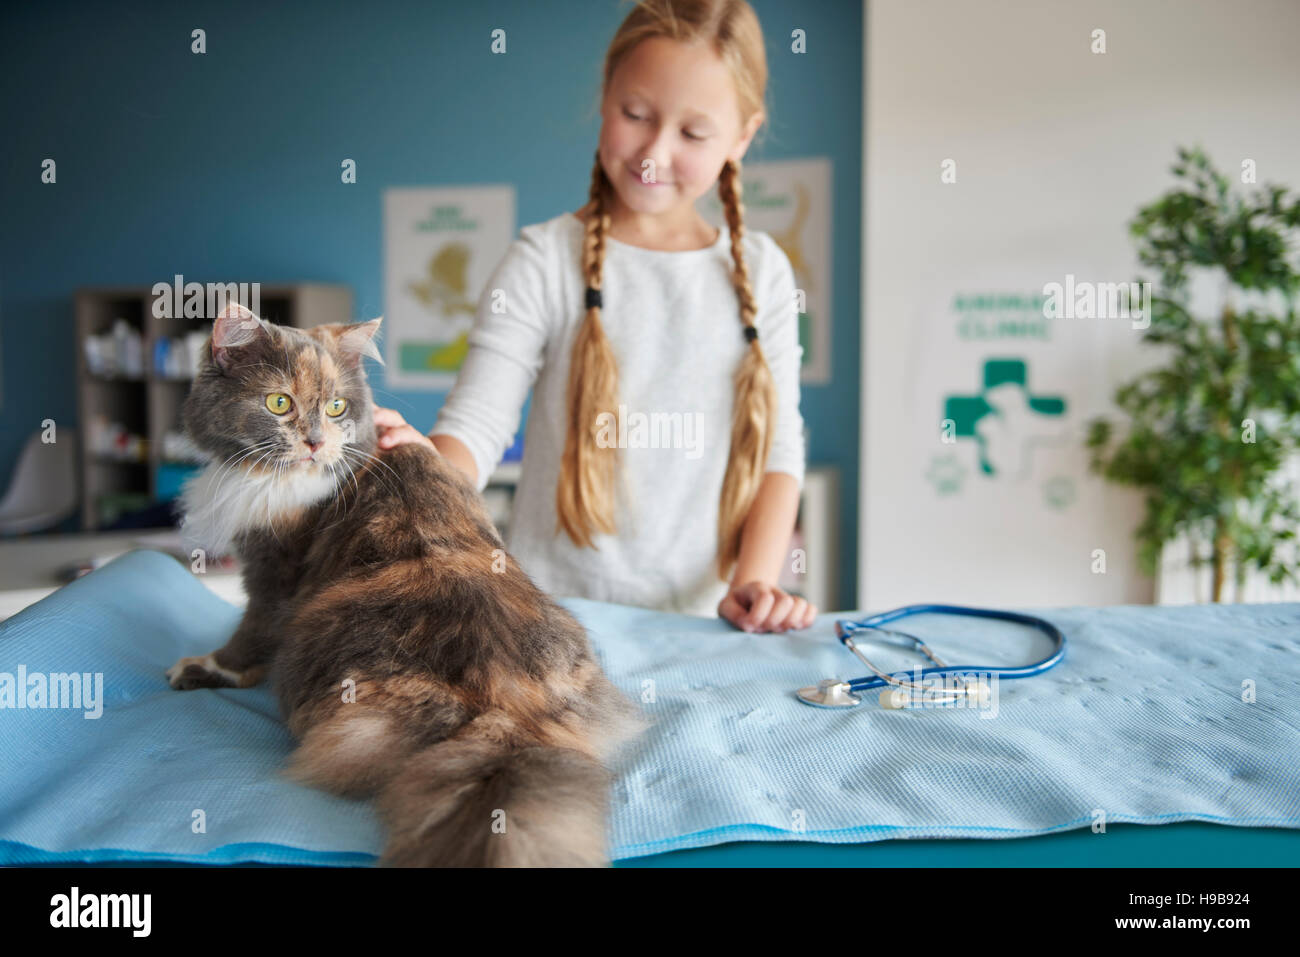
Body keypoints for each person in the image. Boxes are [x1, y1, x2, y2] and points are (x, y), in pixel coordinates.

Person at [374, 0, 815, 633]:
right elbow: (476, 427)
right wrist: (423, 464)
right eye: (636, 115)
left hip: (704, 631)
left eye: (692, 134)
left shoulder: (765, 272)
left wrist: (755, 581)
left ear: (742, 136)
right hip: (548, 625)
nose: (655, 153)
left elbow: (780, 450)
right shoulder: (543, 261)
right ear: (607, 97)